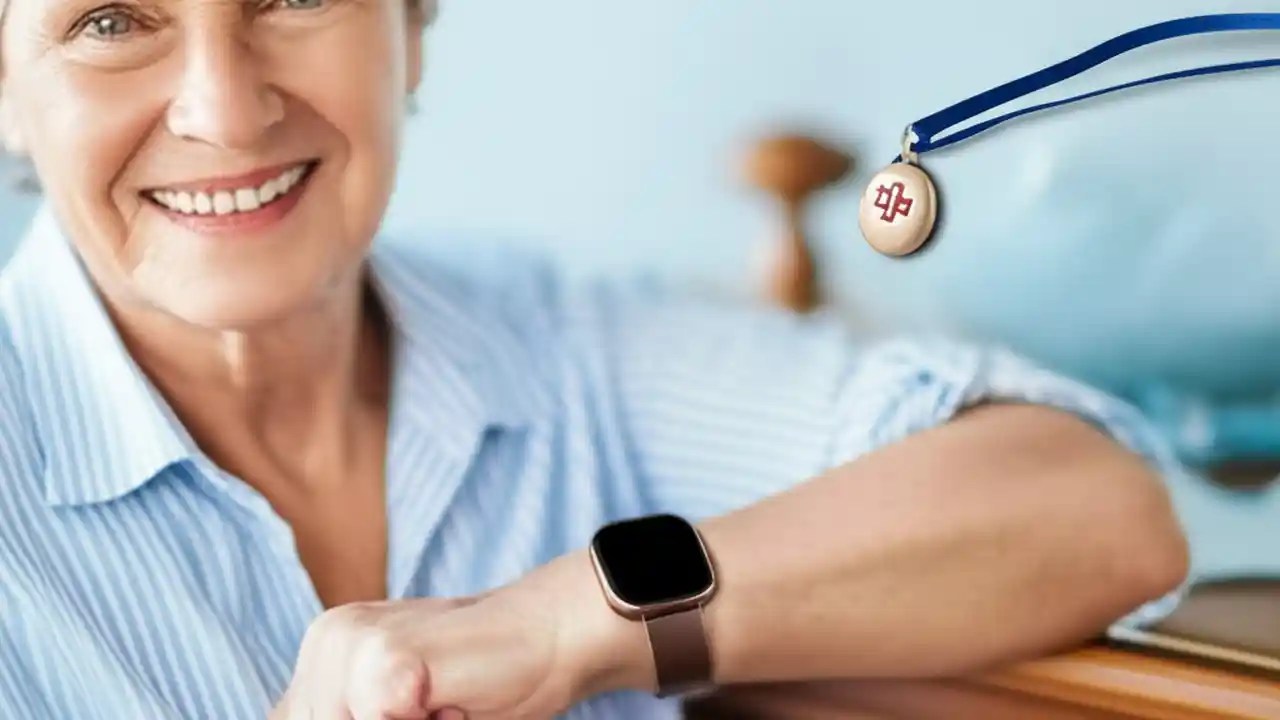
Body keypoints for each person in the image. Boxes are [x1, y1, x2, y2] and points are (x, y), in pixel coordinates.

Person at [0, 0, 1189, 717]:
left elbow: (1095, 507)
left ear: (410, 32)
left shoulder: (566, 347)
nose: (228, 108)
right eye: (109, 21)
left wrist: (569, 621)